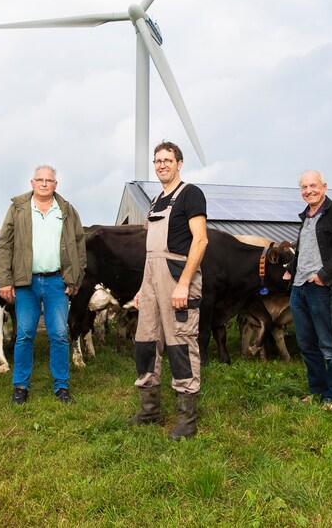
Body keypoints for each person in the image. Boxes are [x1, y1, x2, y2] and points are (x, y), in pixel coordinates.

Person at [128, 141, 209, 440]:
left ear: (179, 163)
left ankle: (187, 419)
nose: (162, 165)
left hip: (177, 279)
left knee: (180, 346)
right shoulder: (154, 201)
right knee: (145, 343)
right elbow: (151, 254)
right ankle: (150, 411)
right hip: (151, 281)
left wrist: (185, 284)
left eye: (168, 160)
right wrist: (142, 288)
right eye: (157, 160)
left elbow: (200, 241)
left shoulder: (190, 194)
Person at [0, 164, 86, 405]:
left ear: (56, 185)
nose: (44, 183)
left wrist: (75, 278)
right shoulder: (18, 208)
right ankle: (21, 385)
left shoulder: (66, 210)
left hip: (57, 281)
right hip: (27, 281)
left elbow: (79, 245)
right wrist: (5, 280)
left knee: (58, 334)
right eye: (40, 179)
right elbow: (4, 245)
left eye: (49, 180)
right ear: (32, 183)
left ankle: (61, 386)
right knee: (24, 334)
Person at [286, 170, 332, 410]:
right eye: (304, 187)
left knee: (329, 344)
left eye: (313, 186)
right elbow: (306, 250)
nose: (309, 191)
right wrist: (292, 269)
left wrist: (322, 276)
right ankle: (317, 391)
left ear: (324, 187)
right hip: (299, 288)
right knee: (307, 344)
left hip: (321, 287)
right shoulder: (305, 217)